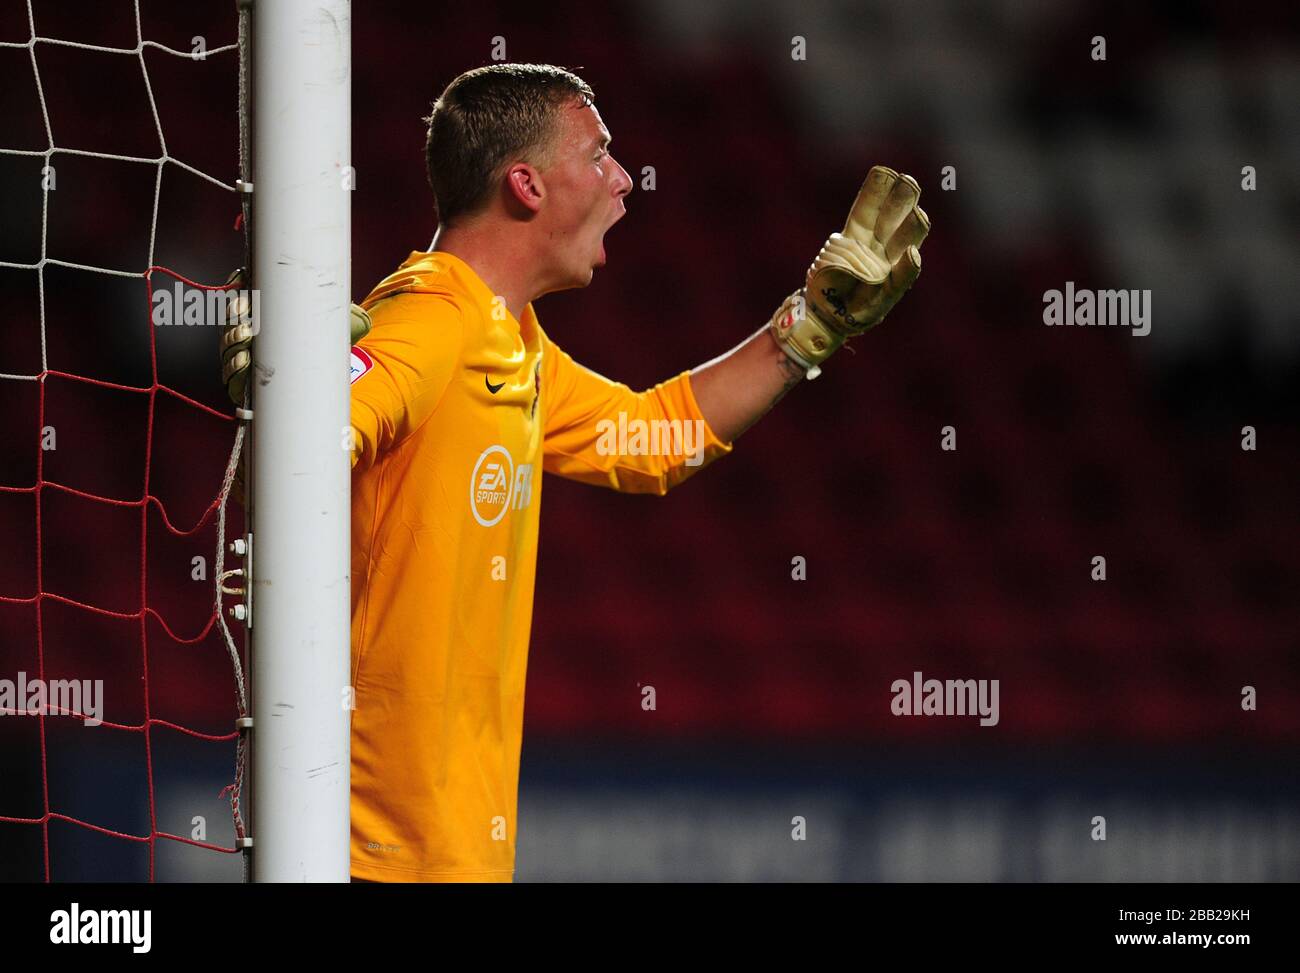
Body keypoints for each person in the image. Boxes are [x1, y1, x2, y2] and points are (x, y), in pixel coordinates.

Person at [223, 62, 928, 882]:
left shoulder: (512, 340)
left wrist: (809, 328)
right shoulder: (430, 317)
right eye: (598, 154)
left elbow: (653, 438)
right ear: (525, 184)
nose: (624, 180)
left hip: (446, 853)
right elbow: (292, 466)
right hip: (362, 853)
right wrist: (281, 402)